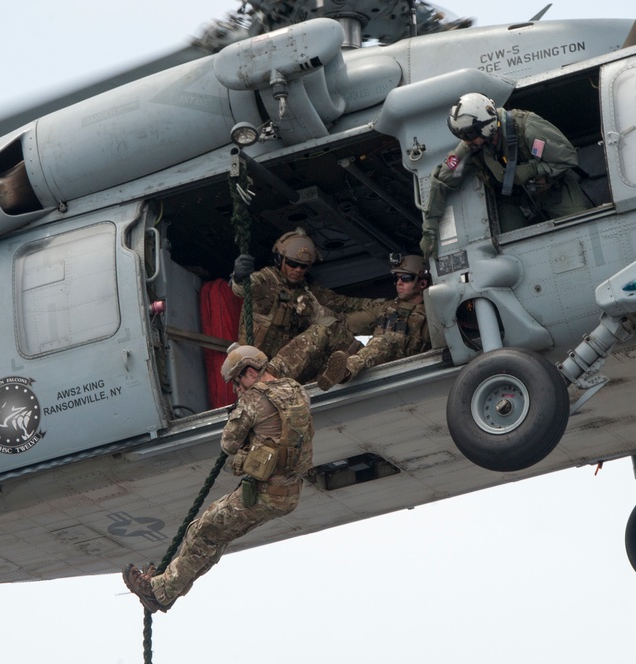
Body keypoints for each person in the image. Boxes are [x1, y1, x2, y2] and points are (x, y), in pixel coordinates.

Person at [122, 343, 313, 614]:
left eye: (237, 382)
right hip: (289, 492)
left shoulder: (254, 399)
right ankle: (168, 587)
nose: (237, 389)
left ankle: (160, 592)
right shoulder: (296, 389)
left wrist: (244, 424)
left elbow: (228, 442)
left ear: (249, 372)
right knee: (215, 537)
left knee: (202, 530)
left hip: (266, 493)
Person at [421, 93, 589, 257]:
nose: (465, 141)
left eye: (468, 134)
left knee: (582, 234)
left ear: (486, 126)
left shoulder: (528, 127)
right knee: (512, 251)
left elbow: (568, 158)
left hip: (553, 189)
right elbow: (442, 179)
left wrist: (533, 170)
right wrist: (430, 227)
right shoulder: (473, 145)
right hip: (514, 199)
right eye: (460, 135)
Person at [259, 254, 431, 389]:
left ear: (422, 283)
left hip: (402, 365)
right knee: (327, 325)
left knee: (386, 340)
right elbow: (345, 323)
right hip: (369, 363)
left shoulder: (433, 310)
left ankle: (345, 369)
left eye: (405, 278)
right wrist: (315, 310)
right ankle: (268, 376)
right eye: (396, 278)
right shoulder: (387, 308)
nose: (398, 283)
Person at [230, 228, 378, 363]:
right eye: (292, 263)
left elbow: (344, 303)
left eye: (303, 266)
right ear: (279, 259)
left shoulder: (309, 291)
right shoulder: (268, 280)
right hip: (254, 365)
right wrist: (239, 277)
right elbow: (245, 288)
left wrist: (384, 306)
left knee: (331, 328)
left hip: (288, 365)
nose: (298, 270)